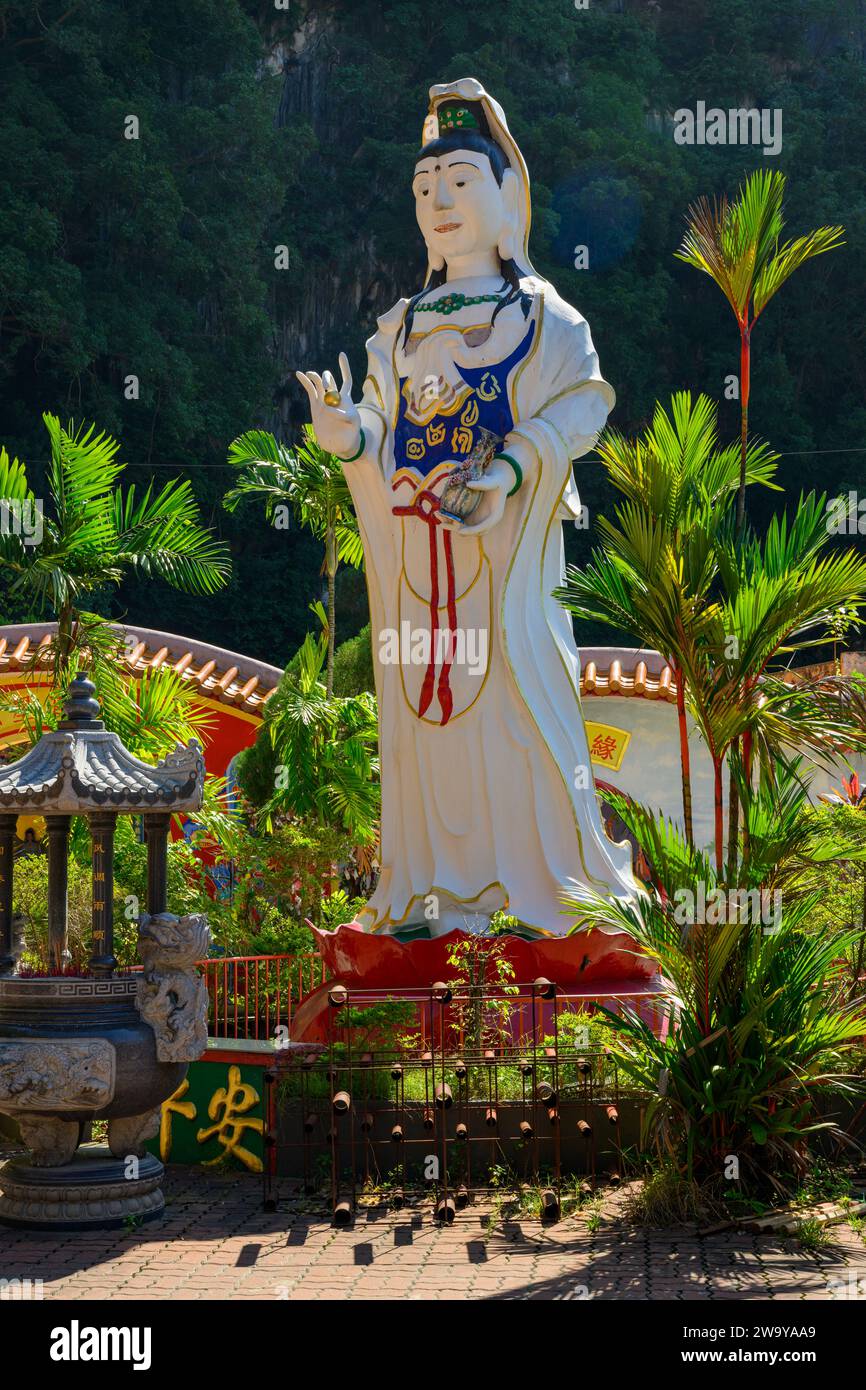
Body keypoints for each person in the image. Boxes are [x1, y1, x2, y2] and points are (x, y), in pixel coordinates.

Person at [297, 78, 637, 938]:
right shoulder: (400, 327)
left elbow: (584, 406)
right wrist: (344, 434)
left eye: (458, 180)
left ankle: (546, 899)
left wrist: (513, 468)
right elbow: (380, 425)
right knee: (423, 720)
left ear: (505, 195)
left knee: (522, 716)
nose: (439, 202)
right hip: (419, 561)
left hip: (504, 562)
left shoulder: (545, 315)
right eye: (423, 190)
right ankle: (430, 898)